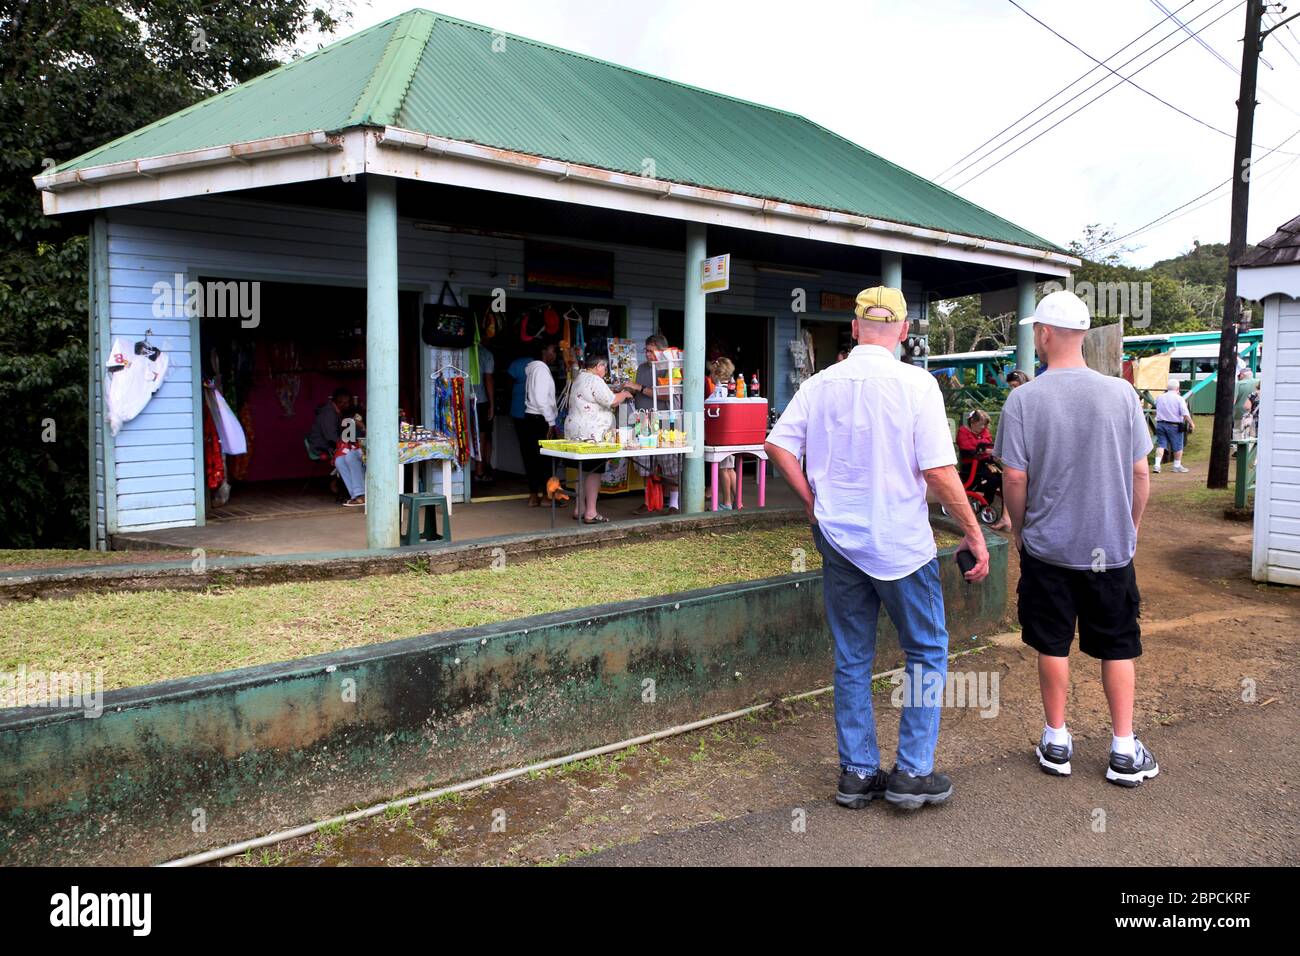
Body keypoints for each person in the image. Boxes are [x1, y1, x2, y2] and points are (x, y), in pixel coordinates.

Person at [765, 286, 989, 812]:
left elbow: (777, 444)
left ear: (854, 327)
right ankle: (912, 772)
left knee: (852, 657)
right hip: (900, 545)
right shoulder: (917, 385)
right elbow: (937, 469)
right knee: (927, 651)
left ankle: (858, 772)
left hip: (839, 538)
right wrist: (973, 532)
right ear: (905, 331)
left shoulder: (820, 384)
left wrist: (812, 499)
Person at [996, 290, 1158, 788]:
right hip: (1109, 549)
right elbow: (1140, 473)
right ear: (1083, 335)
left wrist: (1022, 531)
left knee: (1053, 642)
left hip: (1049, 548)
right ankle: (1124, 749)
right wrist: (1127, 529)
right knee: (1118, 646)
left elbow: (1016, 479)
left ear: (1043, 333)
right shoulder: (1121, 394)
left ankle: (1057, 739)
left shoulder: (1024, 399)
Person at [564, 344, 636, 523]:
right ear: (598, 366)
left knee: (583, 471)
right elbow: (611, 401)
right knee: (594, 472)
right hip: (592, 435)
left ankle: (579, 508)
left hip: (576, 432)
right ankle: (591, 512)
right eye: (604, 367)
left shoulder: (579, 378)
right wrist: (626, 393)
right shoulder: (595, 380)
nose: (605, 370)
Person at [626, 333, 683, 515]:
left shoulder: (670, 367)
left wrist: (639, 388)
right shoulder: (641, 368)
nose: (647, 354)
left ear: (662, 351)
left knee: (670, 464)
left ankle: (674, 503)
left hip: (666, 420)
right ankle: (649, 501)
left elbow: (667, 395)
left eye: (651, 351)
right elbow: (637, 392)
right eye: (646, 350)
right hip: (643, 419)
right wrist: (627, 390)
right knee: (645, 464)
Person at [514, 339, 558, 507]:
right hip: (540, 418)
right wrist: (551, 421)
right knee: (546, 459)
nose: (554, 355)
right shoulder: (541, 369)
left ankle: (533, 496)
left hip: (530, 417)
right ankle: (547, 497)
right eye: (553, 350)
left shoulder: (532, 369)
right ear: (544, 351)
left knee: (531, 458)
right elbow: (541, 399)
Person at [306, 387, 366, 507]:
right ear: (336, 402)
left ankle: (358, 495)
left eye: (347, 402)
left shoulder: (336, 412)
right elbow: (331, 437)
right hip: (322, 446)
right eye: (342, 402)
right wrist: (345, 445)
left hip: (334, 444)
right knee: (342, 458)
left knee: (348, 456)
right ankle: (356, 494)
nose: (345, 405)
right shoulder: (328, 413)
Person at [957, 409, 1011, 532]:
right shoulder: (963, 431)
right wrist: (984, 450)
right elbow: (968, 449)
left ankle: (1005, 515)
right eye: (981, 424)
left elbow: (988, 445)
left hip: (985, 463)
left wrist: (989, 452)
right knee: (992, 479)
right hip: (971, 466)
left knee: (1003, 478)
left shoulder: (984, 431)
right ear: (973, 422)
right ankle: (985, 503)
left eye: (985, 425)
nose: (984, 427)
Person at [708, 356, 739, 509]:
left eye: (711, 373)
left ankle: (727, 502)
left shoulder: (719, 392)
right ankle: (737, 501)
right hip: (733, 435)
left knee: (723, 470)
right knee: (730, 469)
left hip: (722, 436)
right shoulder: (733, 390)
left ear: (716, 374)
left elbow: (709, 407)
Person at [1152, 378, 1193, 474]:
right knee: (1178, 446)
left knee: (1161, 445)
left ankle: (1157, 465)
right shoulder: (1180, 399)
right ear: (1178, 388)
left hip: (1160, 423)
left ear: (1167, 388)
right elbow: (1184, 413)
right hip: (1174, 425)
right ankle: (1176, 465)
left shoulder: (1160, 397)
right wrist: (1191, 422)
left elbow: (1155, 404)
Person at [473, 343, 496, 484]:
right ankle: (479, 471)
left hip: (465, 398)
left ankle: (481, 468)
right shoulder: (486, 354)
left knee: (475, 435)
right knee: (482, 435)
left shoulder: (465, 350)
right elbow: (488, 379)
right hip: (481, 399)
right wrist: (492, 404)